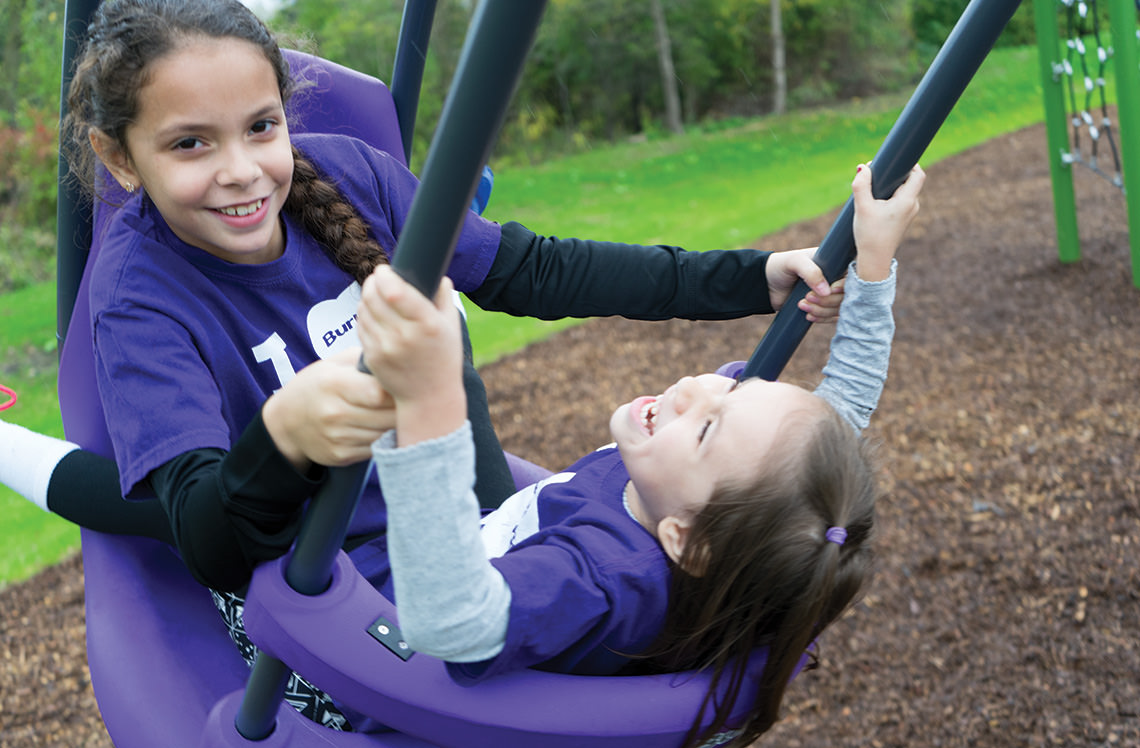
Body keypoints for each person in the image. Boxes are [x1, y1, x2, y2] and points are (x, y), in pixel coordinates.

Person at [2, 0, 845, 733]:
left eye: (263, 126)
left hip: (444, 518)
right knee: (154, 508)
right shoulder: (140, 297)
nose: (240, 171)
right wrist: (283, 439)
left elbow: (535, 268)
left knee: (149, 500)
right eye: (190, 144)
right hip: (307, 575)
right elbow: (214, 546)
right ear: (120, 158)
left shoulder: (350, 175)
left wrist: (746, 278)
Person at [350, 159, 924, 748]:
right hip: (475, 544)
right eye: (737, 386)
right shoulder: (715, 497)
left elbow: (452, 622)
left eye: (707, 427)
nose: (698, 386)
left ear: (684, 541)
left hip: (374, 637)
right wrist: (874, 263)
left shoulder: (599, 577)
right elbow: (838, 417)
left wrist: (424, 415)